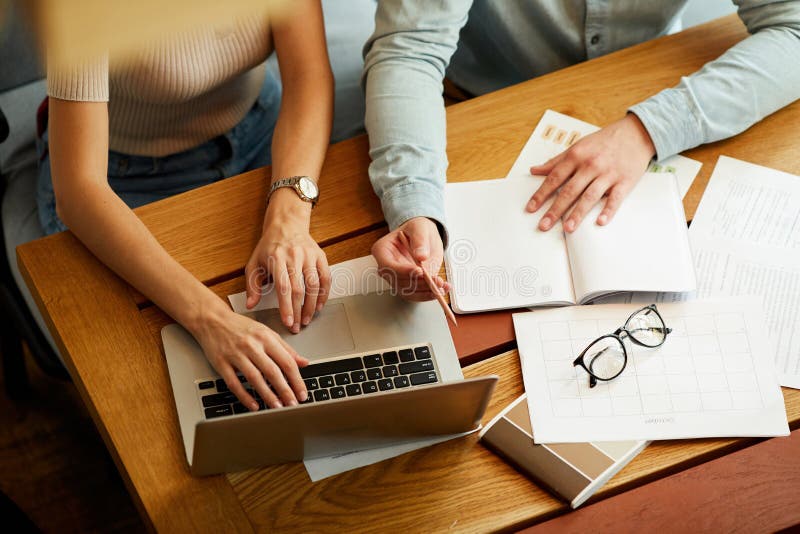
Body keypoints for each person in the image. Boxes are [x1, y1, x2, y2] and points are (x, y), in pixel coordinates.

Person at [364, 0, 800, 300]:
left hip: (650, 89)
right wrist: (414, 202)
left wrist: (649, 130)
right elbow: (410, 51)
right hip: (476, 105)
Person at [40, 1, 333, 410]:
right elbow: (78, 190)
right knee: (156, 391)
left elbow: (308, 78)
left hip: (263, 136)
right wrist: (211, 320)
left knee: (324, 335)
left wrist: (289, 218)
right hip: (127, 181)